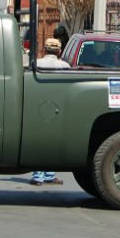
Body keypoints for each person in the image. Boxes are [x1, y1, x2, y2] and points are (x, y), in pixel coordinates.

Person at [31, 38, 69, 186]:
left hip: (38, 107)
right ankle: (49, 175)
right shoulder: (65, 66)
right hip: (57, 109)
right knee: (53, 142)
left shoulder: (36, 64)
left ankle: (38, 176)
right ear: (59, 51)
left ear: (44, 50)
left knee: (38, 141)